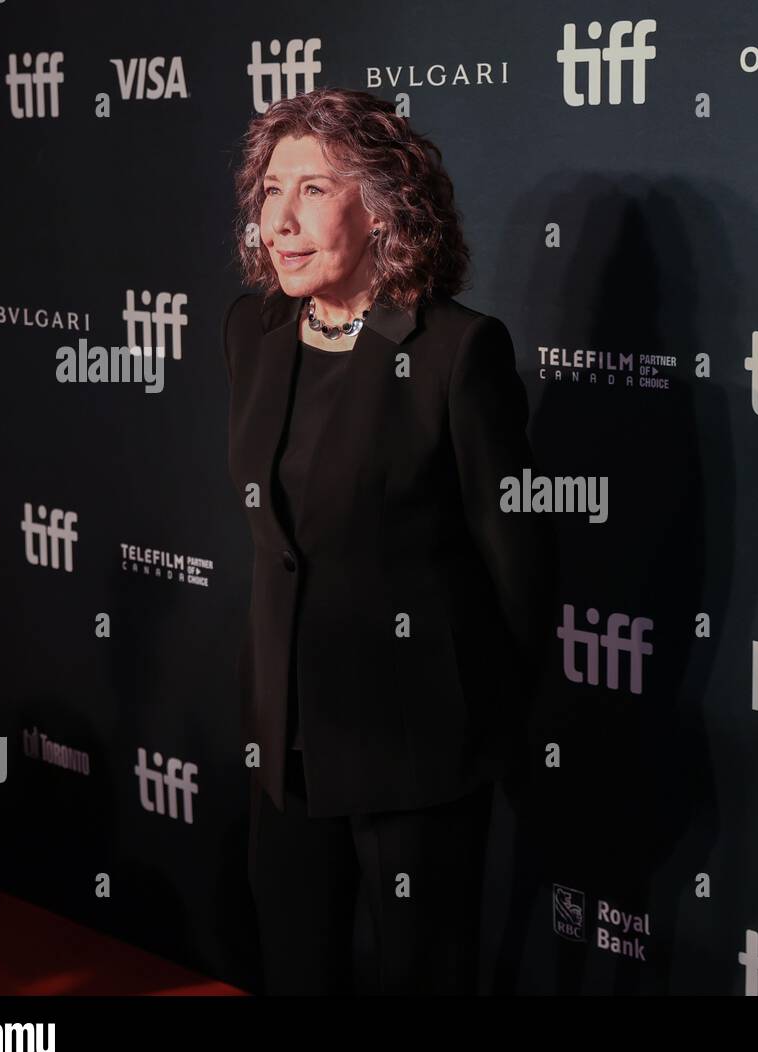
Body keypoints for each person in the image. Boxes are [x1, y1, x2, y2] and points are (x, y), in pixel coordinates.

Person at [222, 88, 555, 995]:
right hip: (284, 745)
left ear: (383, 208)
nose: (278, 222)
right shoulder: (252, 332)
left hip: (416, 753)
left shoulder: (457, 354)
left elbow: (518, 573)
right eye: (270, 190)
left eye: (314, 191)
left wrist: (497, 735)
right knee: (294, 969)